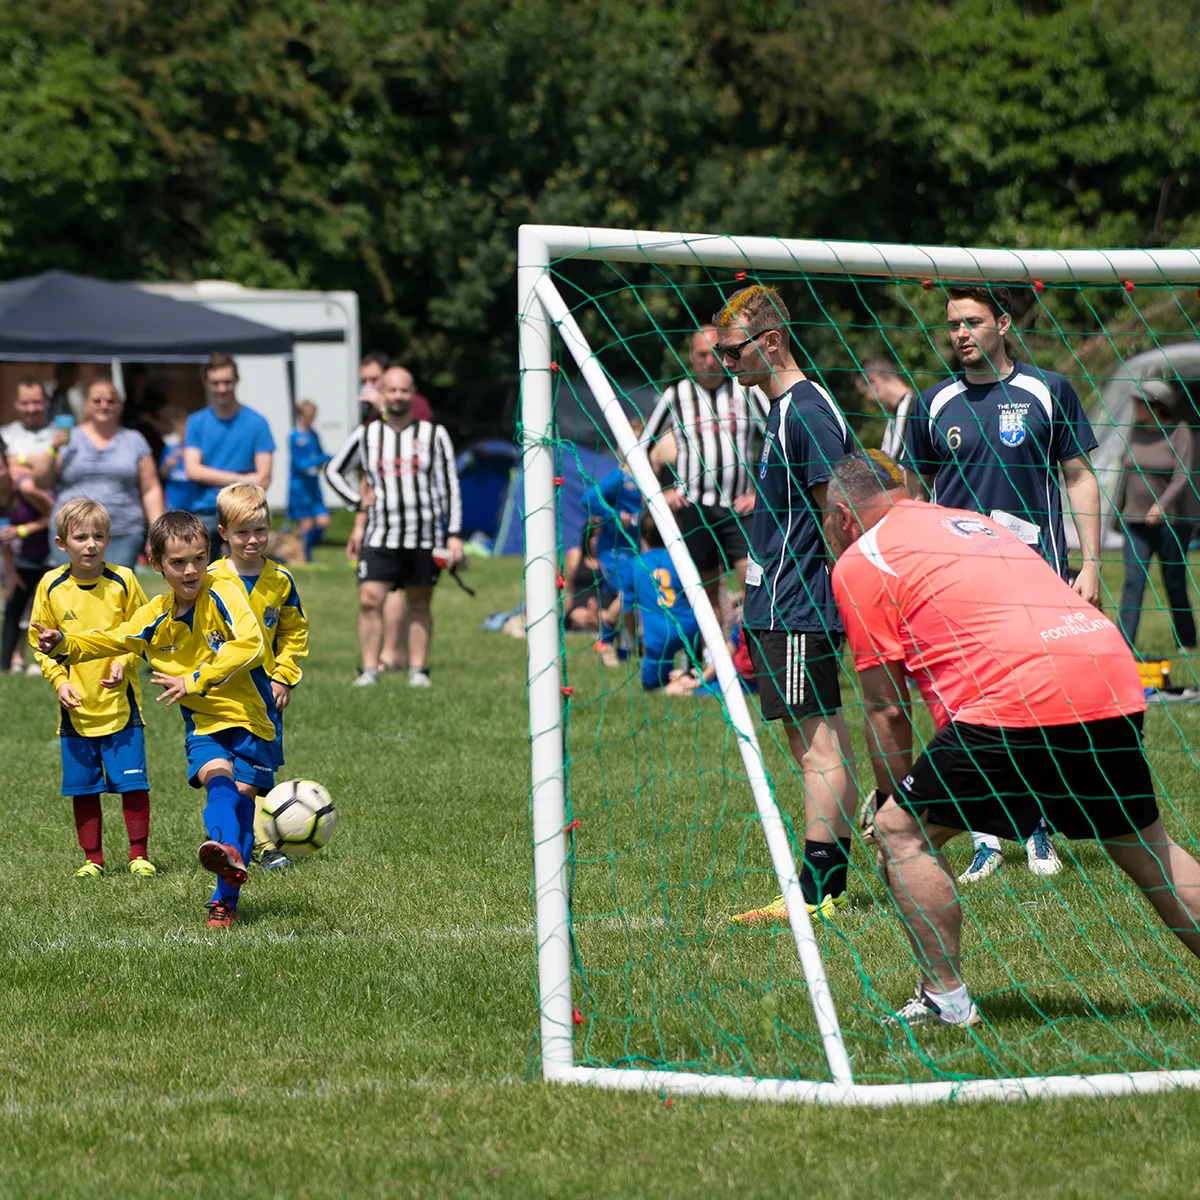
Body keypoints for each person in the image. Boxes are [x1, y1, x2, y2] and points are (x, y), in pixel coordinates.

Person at [822, 450, 1200, 1027]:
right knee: (1147, 849)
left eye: (826, 518)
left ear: (846, 515)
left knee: (902, 830)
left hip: (1018, 693)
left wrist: (892, 795)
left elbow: (885, 708)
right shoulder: (970, 521)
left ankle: (946, 1000)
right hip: (1104, 669)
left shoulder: (860, 558)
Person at [902, 285, 1102, 884]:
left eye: (972, 322)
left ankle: (1036, 825)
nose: (961, 333)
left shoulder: (1049, 390)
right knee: (962, 705)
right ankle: (984, 837)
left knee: (1036, 703)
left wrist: (1090, 563)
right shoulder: (931, 403)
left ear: (1004, 324)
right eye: (953, 325)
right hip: (956, 583)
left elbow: (1078, 476)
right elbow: (915, 495)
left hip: (1034, 577)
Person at [32, 510, 279, 930]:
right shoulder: (157, 614)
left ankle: (225, 896)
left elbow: (251, 646)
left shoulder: (223, 592)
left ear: (208, 557)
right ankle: (222, 855)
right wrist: (66, 645)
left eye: (199, 559)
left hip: (253, 717)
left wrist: (195, 678)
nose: (191, 570)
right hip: (204, 723)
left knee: (239, 803)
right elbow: (115, 637)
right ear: (156, 564)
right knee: (216, 781)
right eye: (179, 563)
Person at [707, 285, 857, 924]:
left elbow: (841, 511)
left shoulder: (806, 410)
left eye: (732, 350)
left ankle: (820, 891)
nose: (725, 362)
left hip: (799, 606)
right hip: (779, 601)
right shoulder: (780, 408)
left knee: (815, 747)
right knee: (816, 742)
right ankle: (827, 885)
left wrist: (843, 595)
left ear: (770, 343)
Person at [29, 499, 155, 878]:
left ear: (109, 539)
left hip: (121, 704)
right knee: (83, 788)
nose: (90, 544)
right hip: (76, 706)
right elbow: (41, 645)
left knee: (134, 784)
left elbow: (144, 634)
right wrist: (60, 681)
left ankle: (139, 856)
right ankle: (93, 860)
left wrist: (123, 662)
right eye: (80, 537)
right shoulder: (50, 585)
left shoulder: (124, 581)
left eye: (98, 536)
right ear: (61, 543)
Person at [324, 365, 464, 688]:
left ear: (413, 394)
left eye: (404, 390)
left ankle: (417, 671)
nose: (398, 396)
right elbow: (333, 471)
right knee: (369, 599)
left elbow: (450, 486)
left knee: (418, 602)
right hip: (381, 533)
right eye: (392, 390)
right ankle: (370, 671)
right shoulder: (367, 434)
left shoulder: (433, 434)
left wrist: (454, 534)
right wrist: (357, 503)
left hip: (424, 535)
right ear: (381, 394)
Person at [208, 484, 309, 870]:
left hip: (266, 695)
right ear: (223, 534)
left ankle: (255, 844)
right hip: (221, 696)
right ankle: (245, 841)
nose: (252, 541)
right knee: (226, 772)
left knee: (256, 776)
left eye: (260, 531)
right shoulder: (211, 579)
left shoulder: (280, 580)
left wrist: (283, 676)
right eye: (242, 533)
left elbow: (294, 632)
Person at [642, 324, 769, 604]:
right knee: (703, 591)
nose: (708, 361)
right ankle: (710, 648)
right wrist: (657, 494)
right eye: (701, 354)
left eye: (714, 353)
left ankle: (749, 646)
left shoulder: (746, 390)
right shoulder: (676, 395)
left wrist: (760, 493)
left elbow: (779, 440)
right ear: (691, 355)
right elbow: (640, 448)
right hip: (694, 506)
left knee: (754, 584)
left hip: (739, 507)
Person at [1115, 380, 1197, 672]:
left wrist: (1160, 507)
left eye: (1140, 402)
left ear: (1156, 406)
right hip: (1134, 522)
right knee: (1133, 583)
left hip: (1173, 523)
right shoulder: (1135, 430)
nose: (1135, 407)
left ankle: (1186, 641)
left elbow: (1182, 476)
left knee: (1174, 582)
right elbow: (1124, 467)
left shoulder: (1180, 432)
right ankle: (1123, 645)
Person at [51, 380, 164, 569]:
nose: (104, 405)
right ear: (87, 404)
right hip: (72, 533)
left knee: (115, 593)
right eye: (97, 401)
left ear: (119, 406)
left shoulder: (134, 440)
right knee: (72, 594)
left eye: (111, 401)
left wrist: (156, 532)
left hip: (122, 533)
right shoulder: (68, 438)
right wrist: (52, 451)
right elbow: (44, 482)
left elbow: (150, 488)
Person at [184, 352, 275, 545]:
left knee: (246, 574)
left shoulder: (257, 422)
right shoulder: (196, 422)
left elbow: (264, 478)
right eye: (215, 383)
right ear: (206, 382)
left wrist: (213, 477)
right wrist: (244, 479)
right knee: (199, 574)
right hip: (205, 510)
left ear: (237, 380)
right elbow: (192, 470)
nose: (222, 389)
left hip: (244, 510)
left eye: (227, 382)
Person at [580, 423, 644, 667]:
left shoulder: (646, 475)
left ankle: (626, 649)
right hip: (613, 550)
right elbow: (587, 499)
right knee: (629, 593)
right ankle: (606, 634)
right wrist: (616, 515)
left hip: (633, 548)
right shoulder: (621, 477)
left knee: (632, 597)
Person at [621, 511, 702, 690]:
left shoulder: (636, 563)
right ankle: (689, 674)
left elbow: (627, 609)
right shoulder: (681, 560)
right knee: (693, 672)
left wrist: (634, 638)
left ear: (642, 536)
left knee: (650, 685)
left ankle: (675, 683)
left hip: (657, 635)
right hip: (689, 629)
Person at [1, 450, 55, 672]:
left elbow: (55, 513)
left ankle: (55, 661)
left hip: (51, 555)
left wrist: (23, 530)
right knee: (13, 607)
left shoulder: (25, 489)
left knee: (52, 611)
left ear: (7, 466)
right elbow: (3, 537)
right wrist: (11, 572)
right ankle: (5, 666)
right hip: (24, 559)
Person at [288, 401, 332, 561]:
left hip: (314, 485)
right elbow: (299, 464)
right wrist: (319, 459)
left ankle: (307, 547)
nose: (310, 420)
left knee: (323, 520)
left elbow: (319, 456)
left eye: (313, 417)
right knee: (306, 524)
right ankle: (306, 557)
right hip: (300, 487)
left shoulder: (314, 435)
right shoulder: (294, 436)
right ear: (300, 415)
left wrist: (326, 460)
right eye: (308, 416)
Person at [854, 355, 916, 459]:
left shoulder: (915, 409)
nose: (868, 401)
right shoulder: (896, 415)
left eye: (865, 393)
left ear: (874, 382)